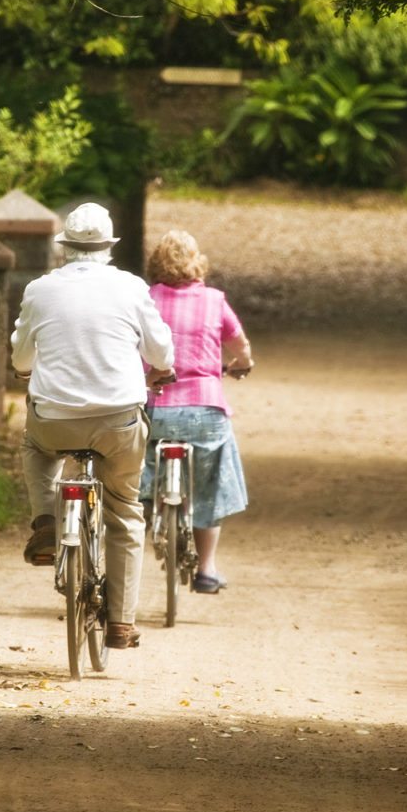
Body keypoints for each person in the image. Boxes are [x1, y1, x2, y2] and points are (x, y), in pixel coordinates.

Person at [11, 202, 174, 650]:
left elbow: (21, 357)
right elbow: (161, 352)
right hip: (118, 421)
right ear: (108, 246)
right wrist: (161, 368)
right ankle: (121, 623)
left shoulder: (40, 289)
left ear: (64, 247)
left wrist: (30, 370)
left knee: (35, 448)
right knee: (123, 509)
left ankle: (46, 520)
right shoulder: (131, 287)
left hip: (54, 419)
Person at [140, 229, 253, 594]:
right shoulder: (215, 300)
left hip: (154, 405)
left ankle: (143, 515)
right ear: (196, 262)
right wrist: (241, 363)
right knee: (210, 483)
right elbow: (240, 345)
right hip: (205, 408)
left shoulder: (145, 298)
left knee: (137, 468)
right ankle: (206, 569)